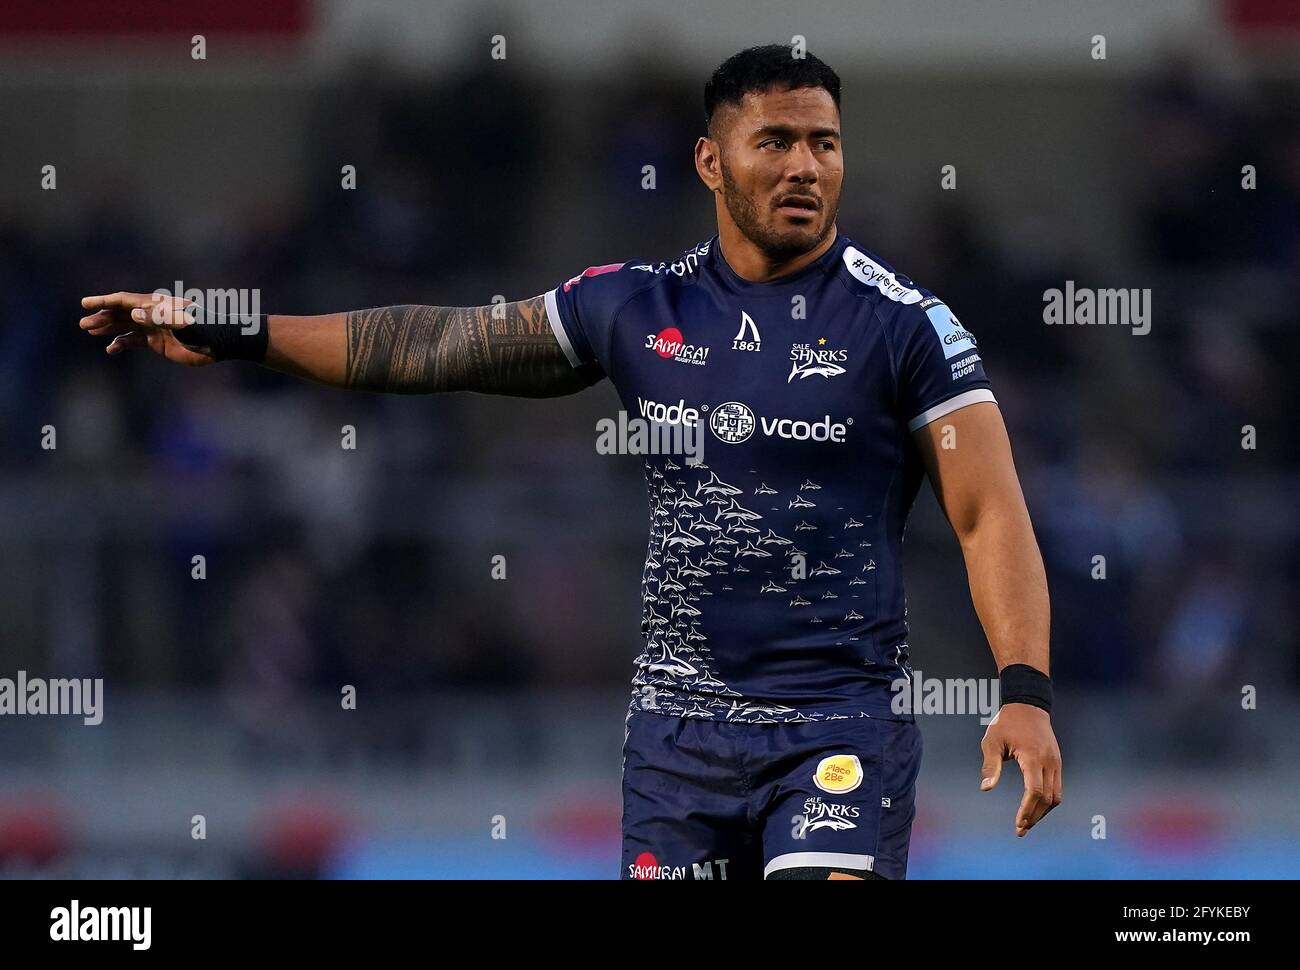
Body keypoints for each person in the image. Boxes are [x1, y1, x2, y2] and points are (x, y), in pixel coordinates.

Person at [79, 44, 1061, 880]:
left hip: (839, 723)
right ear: (711, 162)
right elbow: (434, 346)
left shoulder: (907, 327)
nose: (805, 166)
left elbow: (989, 514)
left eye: (824, 143)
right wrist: (240, 332)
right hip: (677, 737)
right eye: (776, 142)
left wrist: (1022, 689)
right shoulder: (634, 308)